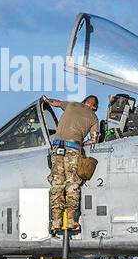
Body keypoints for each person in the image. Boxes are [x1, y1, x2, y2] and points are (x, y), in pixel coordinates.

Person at [42, 94, 101, 234]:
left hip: (56, 149)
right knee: (72, 184)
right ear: (94, 107)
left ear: (84, 101)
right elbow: (94, 140)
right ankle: (70, 221)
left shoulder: (71, 105)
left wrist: (46, 100)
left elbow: (54, 102)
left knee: (57, 184)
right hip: (73, 149)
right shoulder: (93, 117)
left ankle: (55, 222)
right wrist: (81, 143)